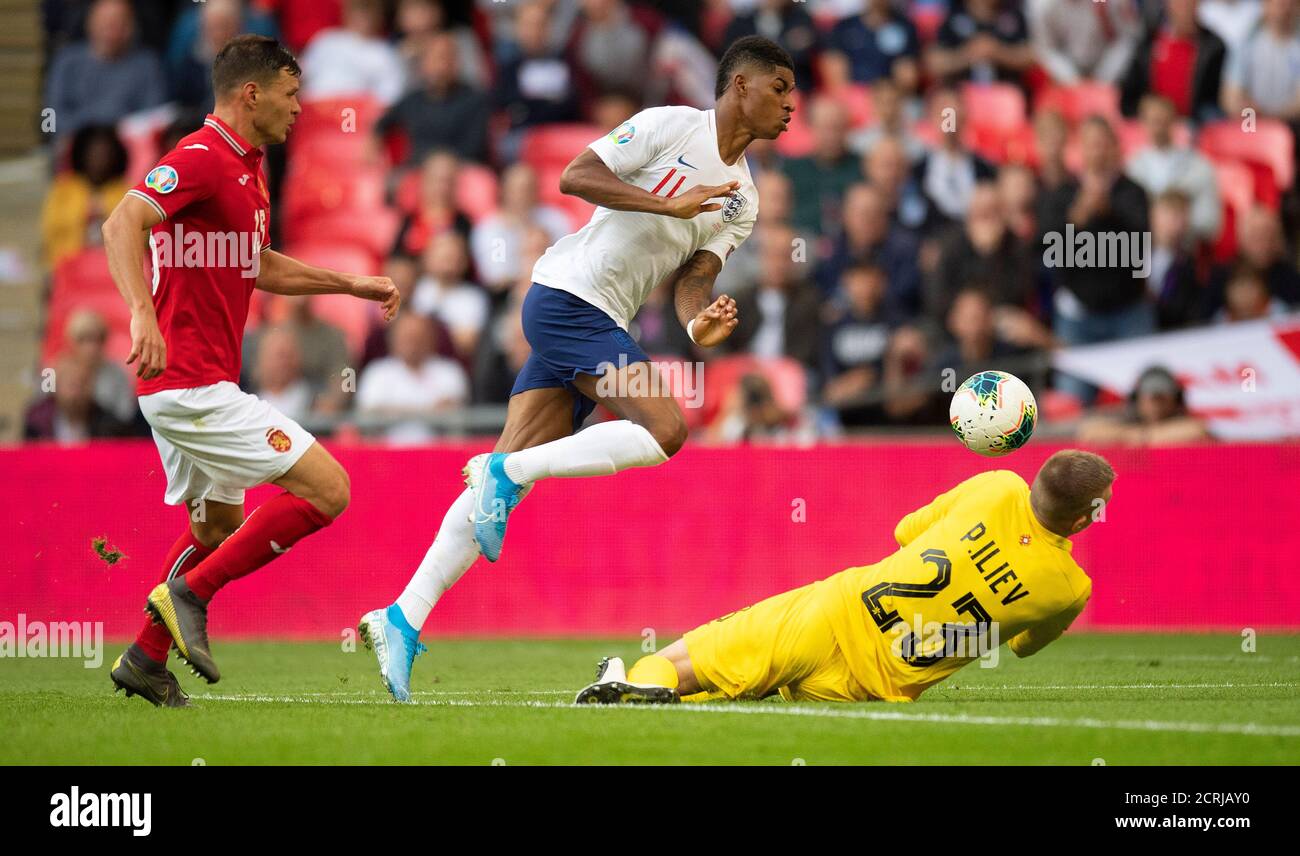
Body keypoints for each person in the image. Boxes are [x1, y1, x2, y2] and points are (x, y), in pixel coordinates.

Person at [358, 36, 796, 702]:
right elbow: (576, 177)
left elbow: (691, 277)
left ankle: (401, 617)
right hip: (566, 297)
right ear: (740, 85)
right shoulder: (668, 125)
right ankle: (506, 472)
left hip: (601, 320)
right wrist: (665, 204)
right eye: (781, 88)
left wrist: (697, 321)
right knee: (667, 428)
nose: (792, 105)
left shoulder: (744, 200)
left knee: (490, 502)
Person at [101, 35, 400, 708]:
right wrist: (140, 314)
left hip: (194, 385)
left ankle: (146, 659)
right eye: (292, 95)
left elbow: (256, 263)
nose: (301, 109)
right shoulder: (202, 158)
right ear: (251, 94)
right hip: (189, 385)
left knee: (215, 530)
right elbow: (123, 223)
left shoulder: (248, 167)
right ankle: (191, 593)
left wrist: (350, 284)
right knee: (329, 490)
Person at [576, 450, 1113, 704]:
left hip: (836, 615)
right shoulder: (1068, 589)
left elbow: (905, 531)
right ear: (1085, 516)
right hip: (868, 690)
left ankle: (627, 683)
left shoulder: (996, 487)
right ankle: (635, 690)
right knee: (722, 697)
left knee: (692, 662)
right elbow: (1021, 647)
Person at [1077, 366, 1211, 444]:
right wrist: (1140, 435)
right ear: (1137, 399)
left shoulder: (1189, 423)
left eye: (1161, 398)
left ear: (1176, 400)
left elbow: (1197, 431)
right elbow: (1089, 432)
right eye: (1150, 397)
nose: (1155, 404)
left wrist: (1138, 438)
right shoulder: (1125, 419)